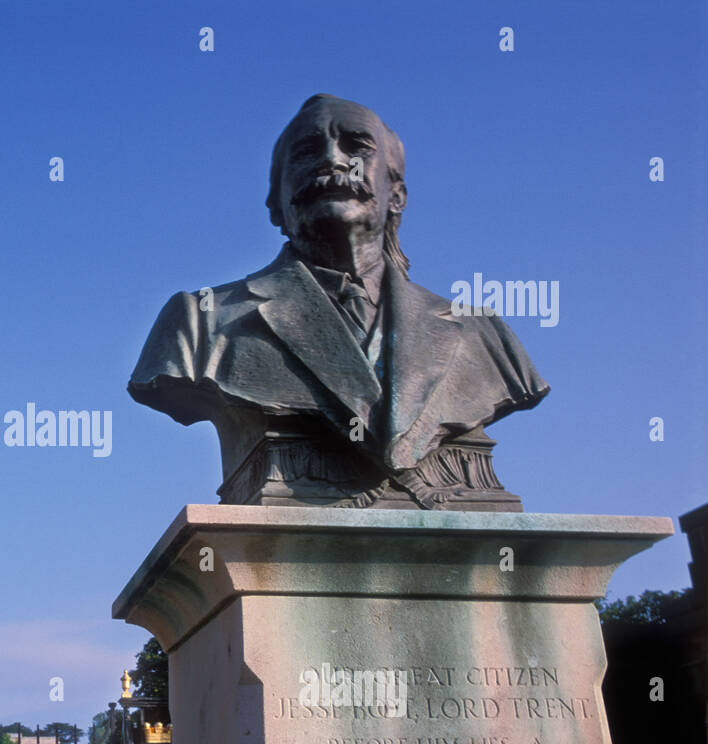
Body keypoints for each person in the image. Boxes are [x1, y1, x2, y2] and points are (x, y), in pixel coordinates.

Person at [128, 94, 549, 509]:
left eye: (356, 146)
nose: (332, 159)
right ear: (276, 204)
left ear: (397, 193)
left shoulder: (482, 332)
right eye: (307, 151)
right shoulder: (200, 323)